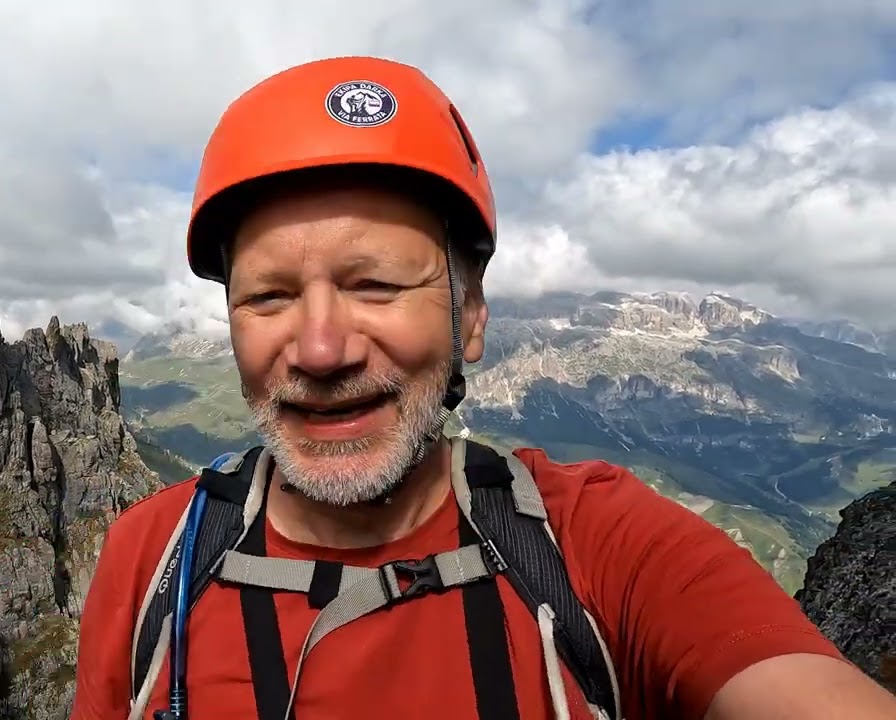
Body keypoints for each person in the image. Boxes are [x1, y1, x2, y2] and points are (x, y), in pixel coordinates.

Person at [71, 56, 896, 720]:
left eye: (378, 285)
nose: (321, 348)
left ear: (470, 322)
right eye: (269, 297)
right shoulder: (154, 559)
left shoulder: (595, 544)